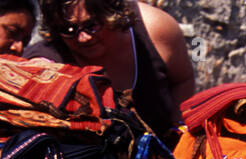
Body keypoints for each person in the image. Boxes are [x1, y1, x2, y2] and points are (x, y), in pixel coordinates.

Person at [27, 0, 195, 141]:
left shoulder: (155, 30)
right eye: (68, 30)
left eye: (91, 25)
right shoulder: (48, 61)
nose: (82, 38)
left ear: (112, 12)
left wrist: (176, 135)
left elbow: (182, 80)